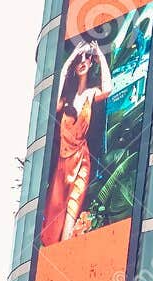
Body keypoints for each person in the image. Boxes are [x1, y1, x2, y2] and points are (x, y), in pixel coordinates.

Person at [39, 41, 112, 245]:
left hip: (82, 159)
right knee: (55, 213)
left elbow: (108, 88)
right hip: (63, 164)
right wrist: (69, 60)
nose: (82, 61)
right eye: (79, 58)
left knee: (73, 204)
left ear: (91, 62)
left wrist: (99, 55)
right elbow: (52, 105)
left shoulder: (91, 93)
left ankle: (67, 246)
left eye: (86, 58)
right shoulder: (65, 100)